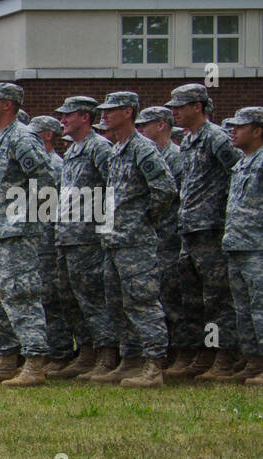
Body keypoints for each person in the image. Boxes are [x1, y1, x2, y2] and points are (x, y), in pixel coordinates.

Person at [91, 91, 177, 388]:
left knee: (142, 302)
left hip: (135, 243)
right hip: (113, 242)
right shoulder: (117, 150)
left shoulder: (144, 149)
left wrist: (143, 219)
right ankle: (130, 361)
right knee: (118, 304)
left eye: (111, 110)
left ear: (128, 112)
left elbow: (165, 189)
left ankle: (153, 366)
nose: (104, 115)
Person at [0, 82, 54, 387]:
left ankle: (34, 362)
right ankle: (7, 359)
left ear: (8, 104)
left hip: (16, 235)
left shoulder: (22, 137)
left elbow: (45, 179)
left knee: (21, 297)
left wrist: (28, 221)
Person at [165, 83, 244, 381]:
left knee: (217, 298)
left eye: (181, 106)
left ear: (198, 107)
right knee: (193, 299)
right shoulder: (188, 140)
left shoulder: (217, 139)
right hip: (189, 230)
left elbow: (238, 173)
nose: (175, 112)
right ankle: (204, 352)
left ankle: (224, 356)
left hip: (210, 230)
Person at [49, 95, 116, 381]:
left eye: (68, 115)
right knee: (70, 299)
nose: (62, 120)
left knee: (92, 299)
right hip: (67, 238)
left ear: (85, 117)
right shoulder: (75, 150)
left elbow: (114, 191)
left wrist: (106, 232)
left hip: (89, 240)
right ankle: (86, 352)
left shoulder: (100, 148)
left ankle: (107, 354)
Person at [136, 106, 188, 369]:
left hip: (169, 237)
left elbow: (174, 197)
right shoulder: (147, 154)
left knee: (172, 295)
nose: (140, 129)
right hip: (151, 239)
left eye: (145, 124)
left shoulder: (176, 157)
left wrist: (151, 217)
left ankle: (181, 353)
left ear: (161, 125)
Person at [28, 114, 74, 371]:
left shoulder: (55, 166)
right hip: (36, 242)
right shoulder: (39, 163)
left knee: (50, 299)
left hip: (49, 242)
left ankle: (60, 351)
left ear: (47, 135)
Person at [222, 107, 263, 384]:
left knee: (261, 307)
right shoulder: (242, 163)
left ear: (258, 130)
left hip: (257, 247)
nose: (233, 131)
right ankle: (253, 361)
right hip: (238, 245)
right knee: (244, 309)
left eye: (241, 126)